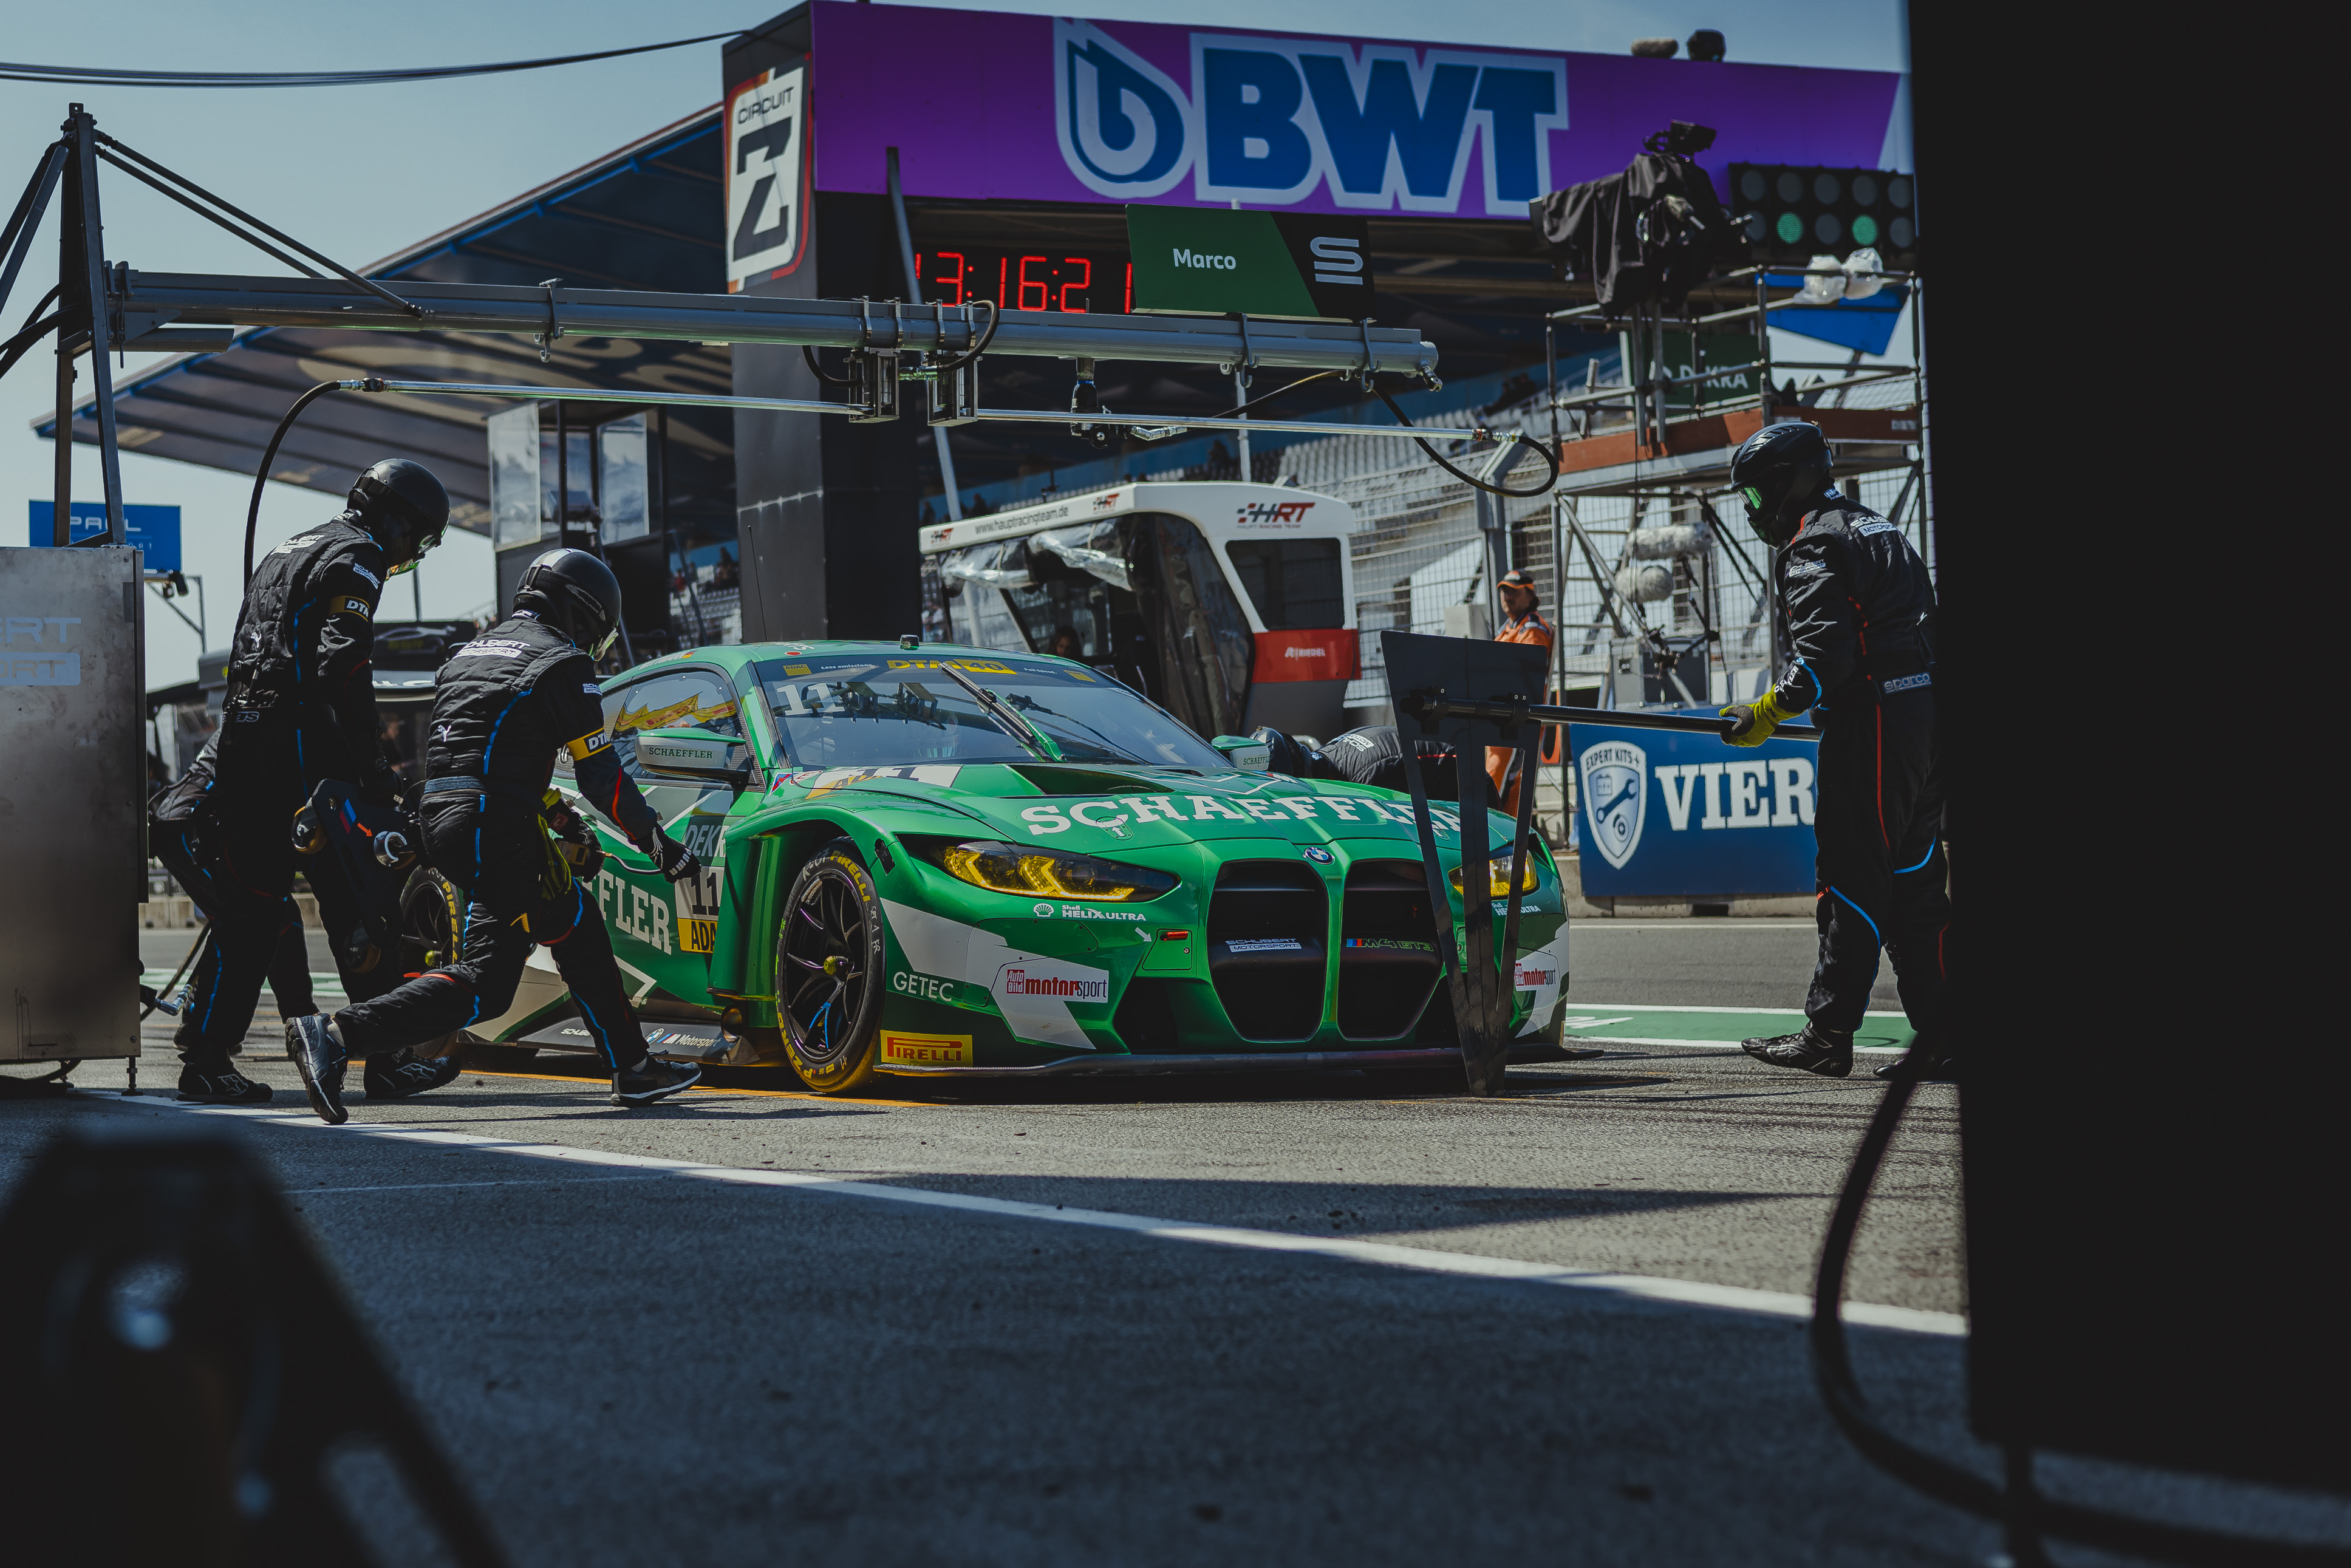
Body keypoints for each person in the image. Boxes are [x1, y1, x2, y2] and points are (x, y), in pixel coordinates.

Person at [285, 548, 706, 1123]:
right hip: (493, 822)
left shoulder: (468, 655)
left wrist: (561, 820)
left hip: (448, 818)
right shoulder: (562, 662)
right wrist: (659, 845)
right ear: (582, 611)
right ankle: (335, 1033)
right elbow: (601, 774)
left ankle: (632, 1068)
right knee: (541, 946)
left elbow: (495, 756)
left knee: (520, 962)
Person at [165, 460, 459, 1106]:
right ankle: (385, 1058)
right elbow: (342, 663)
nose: (413, 552)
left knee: (251, 911)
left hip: (243, 740)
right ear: (396, 518)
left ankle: (209, 1061)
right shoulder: (358, 556)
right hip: (301, 751)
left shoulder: (287, 546)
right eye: (419, 537)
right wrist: (374, 765)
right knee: (362, 905)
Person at [1718, 421, 1946, 1079]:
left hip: (1872, 720)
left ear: (1784, 484)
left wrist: (1762, 713)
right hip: (1924, 718)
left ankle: (1827, 1034)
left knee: (1851, 878)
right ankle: (1944, 1034)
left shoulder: (1812, 542)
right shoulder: (1878, 526)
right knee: (1917, 885)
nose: (1754, 511)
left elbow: (1823, 661)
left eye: (1755, 497)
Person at [1485, 568, 1555, 815]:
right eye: (1504, 591)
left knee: (1503, 792)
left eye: (1513, 591)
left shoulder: (1532, 629)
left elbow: (1527, 678)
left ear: (1530, 594)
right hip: (1501, 722)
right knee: (1493, 785)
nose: (1507, 596)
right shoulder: (1510, 628)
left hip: (1517, 722)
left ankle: (1507, 847)